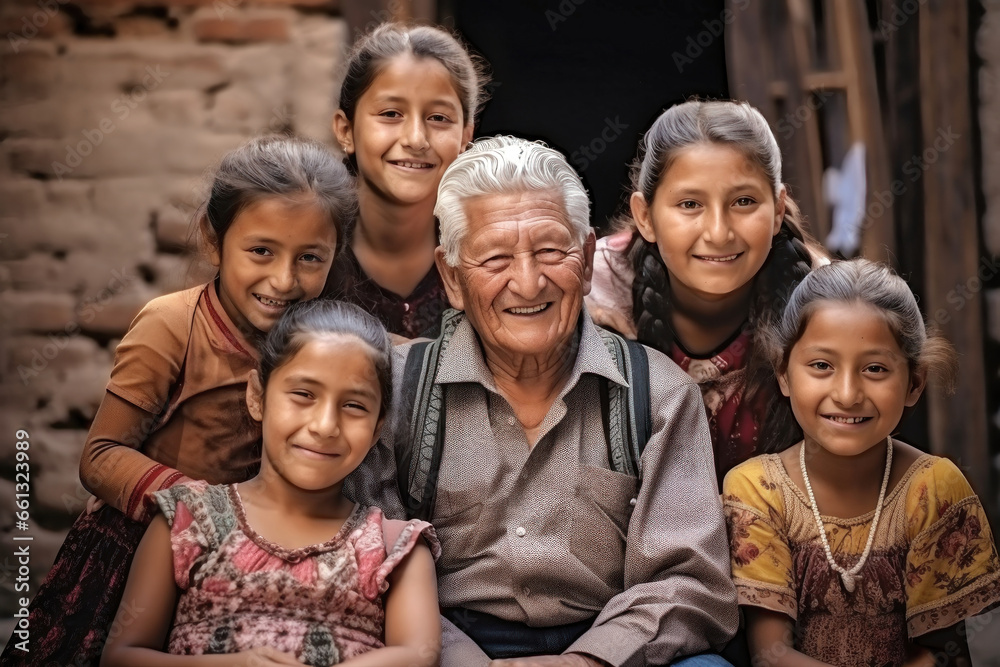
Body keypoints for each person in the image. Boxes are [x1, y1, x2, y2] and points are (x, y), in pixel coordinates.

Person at [346, 135, 738, 666]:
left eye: (552, 250)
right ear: (452, 277)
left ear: (588, 255)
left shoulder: (659, 393)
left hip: (612, 644)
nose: (527, 283)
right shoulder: (396, 390)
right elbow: (368, 558)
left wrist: (586, 661)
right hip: (445, 645)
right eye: (495, 257)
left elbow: (689, 581)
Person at [1, 135, 354, 667]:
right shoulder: (172, 326)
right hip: (140, 554)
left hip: (244, 563)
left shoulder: (319, 341)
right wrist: (204, 508)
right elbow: (100, 457)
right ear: (214, 242)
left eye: (310, 258)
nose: (284, 280)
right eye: (260, 251)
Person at [101, 300, 441, 667]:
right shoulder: (186, 521)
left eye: (354, 406)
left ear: (377, 428)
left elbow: (418, 656)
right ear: (257, 397)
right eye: (303, 395)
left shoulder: (395, 548)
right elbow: (121, 657)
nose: (325, 425)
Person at [722, 258, 1000, 667]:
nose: (848, 393)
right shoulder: (758, 491)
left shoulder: (933, 489)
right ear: (784, 374)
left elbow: (944, 654)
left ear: (914, 383)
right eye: (822, 366)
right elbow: (772, 655)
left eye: (875, 368)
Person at [586, 100, 828, 484]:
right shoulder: (590, 289)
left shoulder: (824, 302)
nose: (718, 233)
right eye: (690, 204)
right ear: (645, 216)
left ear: (779, 209)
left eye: (744, 202)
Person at [329, 22, 486, 339]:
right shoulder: (309, 251)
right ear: (346, 131)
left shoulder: (489, 256)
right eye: (390, 113)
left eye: (438, 118)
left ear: (465, 137)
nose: (416, 139)